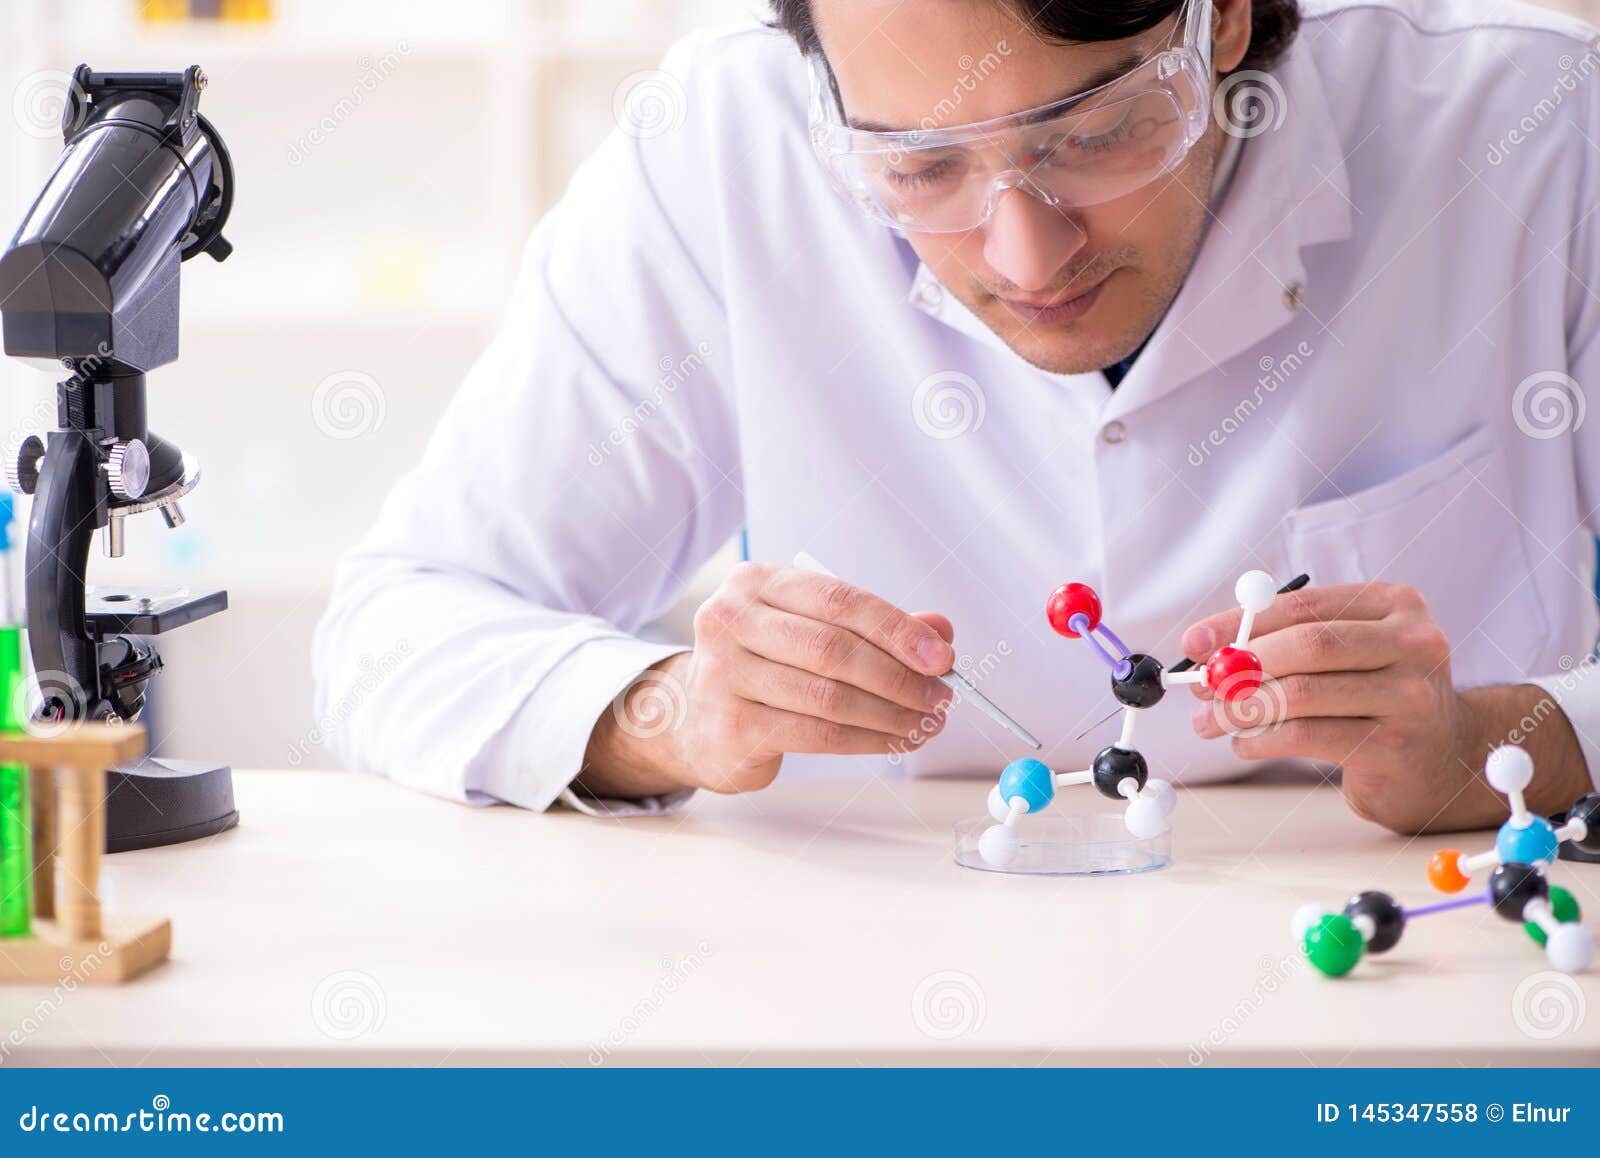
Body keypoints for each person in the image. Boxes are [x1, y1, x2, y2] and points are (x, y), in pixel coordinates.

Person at [313, 0, 1600, 833]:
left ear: (1220, 27)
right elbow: (394, 630)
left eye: (1097, 132)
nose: (1027, 256)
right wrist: (674, 711)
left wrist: (1488, 746)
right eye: (919, 168)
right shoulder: (720, 147)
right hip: (877, 1002)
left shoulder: (1535, 133)